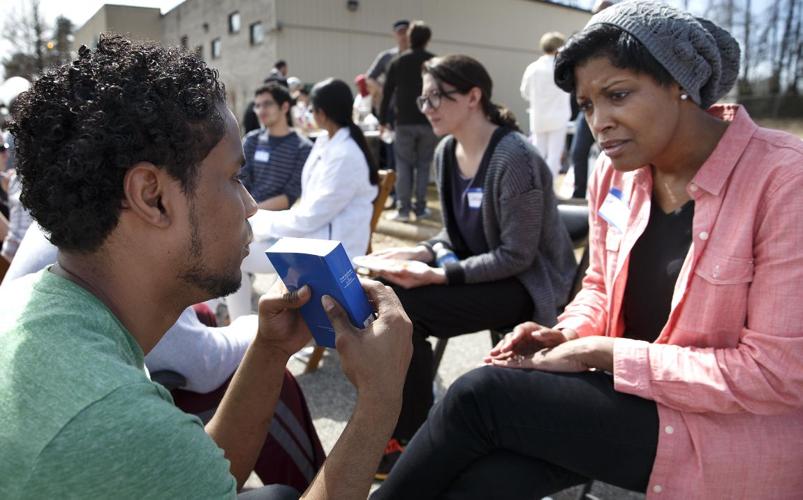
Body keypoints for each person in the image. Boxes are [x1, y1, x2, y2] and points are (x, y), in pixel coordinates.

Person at [372, 2, 803, 499]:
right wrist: (567, 334)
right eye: (587, 105)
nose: (599, 122)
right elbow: (599, 284)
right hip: (630, 396)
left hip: (721, 428)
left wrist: (607, 353)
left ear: (679, 83)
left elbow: (776, 374)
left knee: (478, 393)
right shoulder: (613, 175)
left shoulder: (782, 179)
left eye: (617, 95)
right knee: (482, 481)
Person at [0, 34, 413, 500]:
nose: (251, 205)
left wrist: (269, 349)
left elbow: (199, 477)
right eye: (234, 179)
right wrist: (381, 400)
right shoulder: (111, 421)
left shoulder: (34, 301)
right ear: (152, 196)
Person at [368, 54, 576, 480]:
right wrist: (418, 255)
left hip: (529, 284)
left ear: (473, 97)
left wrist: (440, 274)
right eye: (422, 100)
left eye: (436, 98)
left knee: (408, 312)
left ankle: (413, 439)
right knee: (392, 298)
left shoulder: (514, 157)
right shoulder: (447, 152)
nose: (426, 108)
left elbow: (517, 256)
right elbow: (454, 236)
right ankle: (410, 430)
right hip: (487, 274)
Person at [228, 78, 379, 319]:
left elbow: (310, 217)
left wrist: (256, 221)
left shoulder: (345, 155)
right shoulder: (326, 142)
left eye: (310, 109)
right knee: (232, 251)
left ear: (321, 113)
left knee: (233, 258)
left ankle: (236, 336)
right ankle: (234, 333)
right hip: (311, 236)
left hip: (328, 251)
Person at [380, 21, 438, 222]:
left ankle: (403, 210)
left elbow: (387, 92)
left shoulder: (398, 62)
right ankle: (421, 208)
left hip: (403, 121)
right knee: (423, 165)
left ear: (409, 38)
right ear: (428, 39)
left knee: (403, 165)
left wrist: (382, 120)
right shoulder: (434, 62)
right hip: (429, 120)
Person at [568, 0, 618, 199]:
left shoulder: (622, 43)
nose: (596, 17)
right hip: (589, 109)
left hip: (614, 109)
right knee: (578, 152)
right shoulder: (586, 43)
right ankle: (579, 194)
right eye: (595, 13)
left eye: (601, 12)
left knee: (614, 154)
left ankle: (612, 197)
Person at [241, 83, 312, 210]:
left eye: (267, 104)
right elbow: (241, 181)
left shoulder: (303, 148)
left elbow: (290, 195)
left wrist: (252, 212)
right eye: (257, 106)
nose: (261, 110)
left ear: (285, 107)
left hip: (277, 222)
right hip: (245, 214)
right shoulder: (251, 140)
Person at [520, 32, 571, 180]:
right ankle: (550, 189)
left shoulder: (533, 68)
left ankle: (536, 186)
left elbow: (525, 92)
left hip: (538, 117)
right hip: (559, 117)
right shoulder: (562, 67)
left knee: (538, 153)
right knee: (554, 155)